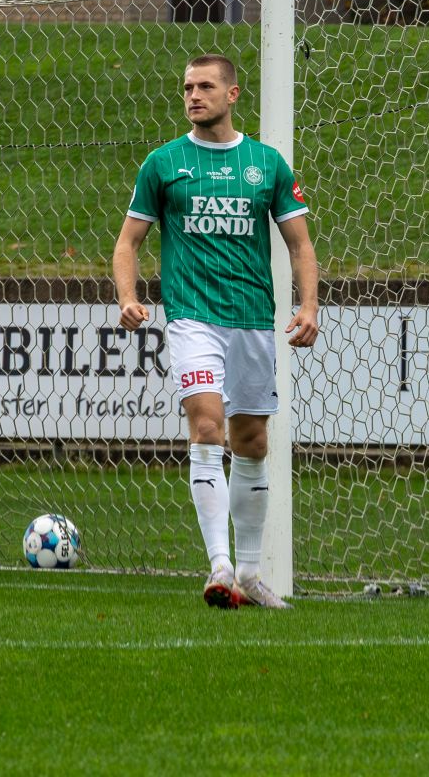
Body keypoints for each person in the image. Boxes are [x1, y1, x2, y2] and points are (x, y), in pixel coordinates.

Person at [113, 54, 318, 610]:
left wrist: (308, 306)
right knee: (207, 427)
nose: (193, 95)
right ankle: (220, 565)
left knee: (253, 442)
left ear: (232, 94)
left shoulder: (266, 164)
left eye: (205, 86)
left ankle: (250, 574)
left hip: (251, 318)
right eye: (187, 87)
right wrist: (129, 298)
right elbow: (128, 242)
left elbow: (300, 243)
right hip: (191, 318)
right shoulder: (164, 163)